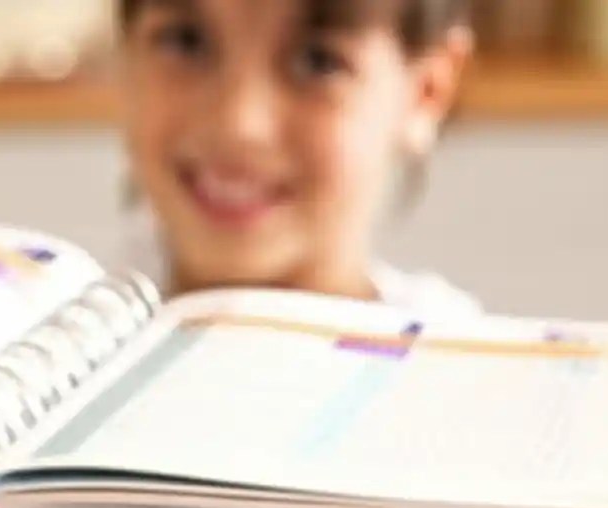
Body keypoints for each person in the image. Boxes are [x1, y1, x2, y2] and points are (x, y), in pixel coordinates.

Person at [118, 0, 482, 316]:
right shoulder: (88, 337)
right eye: (186, 41)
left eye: (319, 61)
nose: (239, 125)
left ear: (427, 91)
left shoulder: (464, 363)